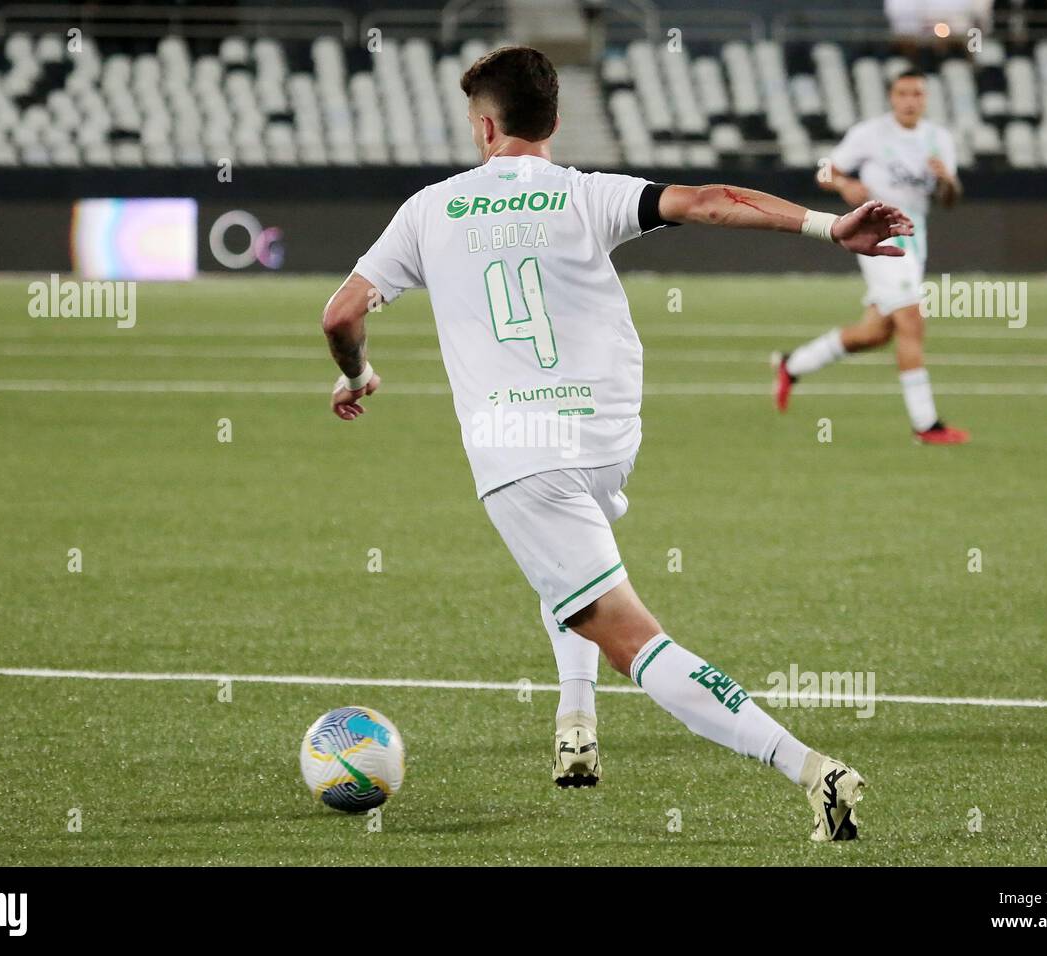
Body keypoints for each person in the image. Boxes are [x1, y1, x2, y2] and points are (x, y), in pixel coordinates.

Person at [323, 46, 914, 840]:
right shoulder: (586, 194)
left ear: (485, 126)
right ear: (554, 124)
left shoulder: (430, 209)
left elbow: (341, 315)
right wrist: (827, 225)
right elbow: (709, 200)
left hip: (518, 455)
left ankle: (810, 769)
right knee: (568, 567)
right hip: (605, 433)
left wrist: (357, 375)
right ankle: (575, 718)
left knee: (629, 635)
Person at [774, 68, 969, 444]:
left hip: (916, 239)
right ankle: (926, 425)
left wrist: (947, 180)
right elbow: (823, 170)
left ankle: (792, 365)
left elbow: (950, 200)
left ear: (926, 99)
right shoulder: (870, 134)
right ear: (891, 98)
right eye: (903, 93)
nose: (910, 100)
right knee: (911, 320)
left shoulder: (939, 140)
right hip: (878, 236)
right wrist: (845, 183)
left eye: (917, 94)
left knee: (876, 333)